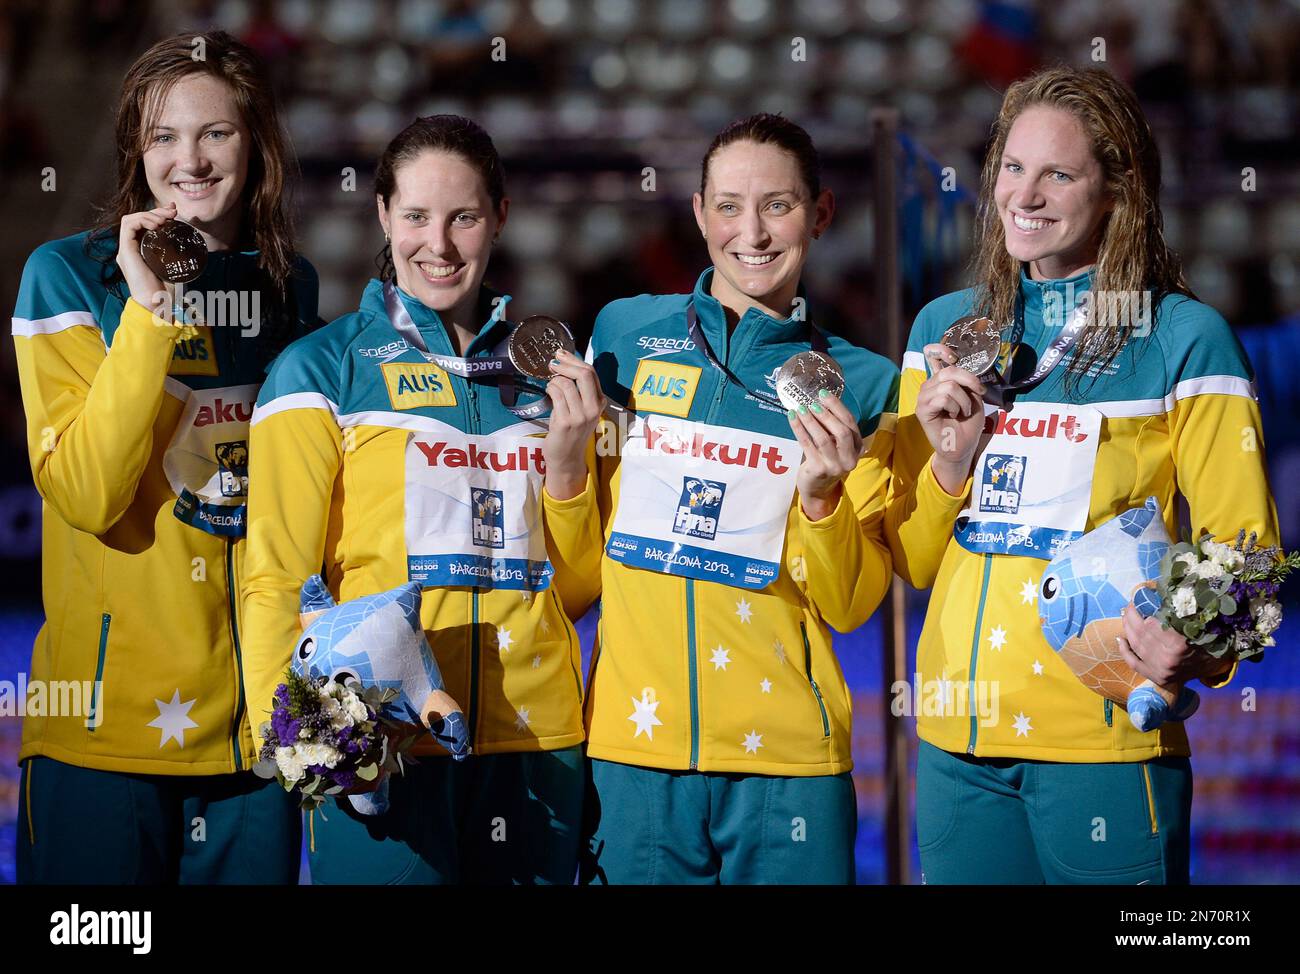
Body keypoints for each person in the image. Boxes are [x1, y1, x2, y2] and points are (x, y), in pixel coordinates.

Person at [889, 66, 1279, 884]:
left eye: (1059, 174)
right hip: (957, 746)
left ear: (1118, 192)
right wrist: (951, 464)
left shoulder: (1184, 339)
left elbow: (1248, 559)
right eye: (1013, 168)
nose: (1024, 196)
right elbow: (916, 558)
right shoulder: (943, 333)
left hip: (1103, 743)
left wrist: (1196, 646)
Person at [240, 115, 602, 884]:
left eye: (464, 217)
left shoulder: (555, 379)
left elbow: (571, 593)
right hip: (383, 751)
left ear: (500, 217)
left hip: (537, 749)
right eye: (415, 217)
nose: (437, 245)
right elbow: (276, 574)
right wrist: (305, 742)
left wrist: (569, 469)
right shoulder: (320, 370)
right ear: (382, 217)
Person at [12, 31, 319, 883]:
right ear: (134, 151)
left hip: (254, 739)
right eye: (163, 137)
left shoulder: (293, 291)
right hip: (100, 734)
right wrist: (151, 314)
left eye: (216, 132)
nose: (190, 159)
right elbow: (85, 493)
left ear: (254, 142)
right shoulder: (67, 277)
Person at [576, 113, 899, 884]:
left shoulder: (868, 384)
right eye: (728, 206)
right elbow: (580, 541)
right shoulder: (623, 335)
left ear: (819, 214)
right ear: (698, 212)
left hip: (788, 762)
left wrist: (821, 504)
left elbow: (853, 603)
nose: (750, 232)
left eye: (777, 205)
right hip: (632, 753)